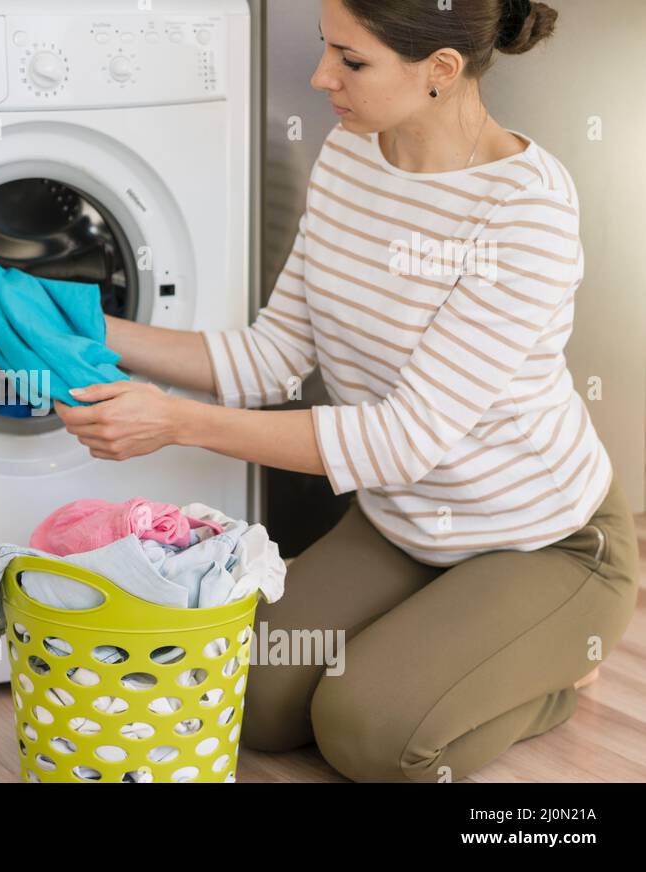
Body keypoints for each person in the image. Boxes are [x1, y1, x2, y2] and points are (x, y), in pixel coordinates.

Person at [55, 0, 640, 782]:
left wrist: (177, 424)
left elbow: (404, 438)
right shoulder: (349, 152)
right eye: (325, 49)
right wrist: (83, 328)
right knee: (247, 698)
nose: (321, 77)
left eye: (351, 61)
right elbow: (272, 356)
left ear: (440, 71)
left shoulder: (524, 211)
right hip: (404, 524)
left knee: (369, 736)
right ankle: (445, 647)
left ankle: (550, 676)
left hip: (539, 539)